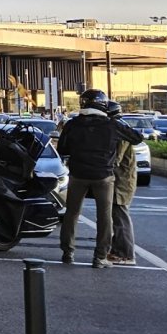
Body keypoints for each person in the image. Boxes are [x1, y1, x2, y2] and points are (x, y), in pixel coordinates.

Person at [55, 88, 142, 267]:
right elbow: (136, 137)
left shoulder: (72, 124)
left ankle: (68, 252)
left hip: (78, 174)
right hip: (103, 175)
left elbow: (62, 150)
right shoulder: (111, 124)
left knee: (72, 213)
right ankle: (100, 256)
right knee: (104, 216)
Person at [106, 101, 139, 265]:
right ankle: (118, 250)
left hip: (121, 181)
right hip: (122, 180)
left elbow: (115, 159)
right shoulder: (121, 127)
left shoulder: (120, 131)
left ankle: (125, 254)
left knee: (120, 216)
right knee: (117, 216)